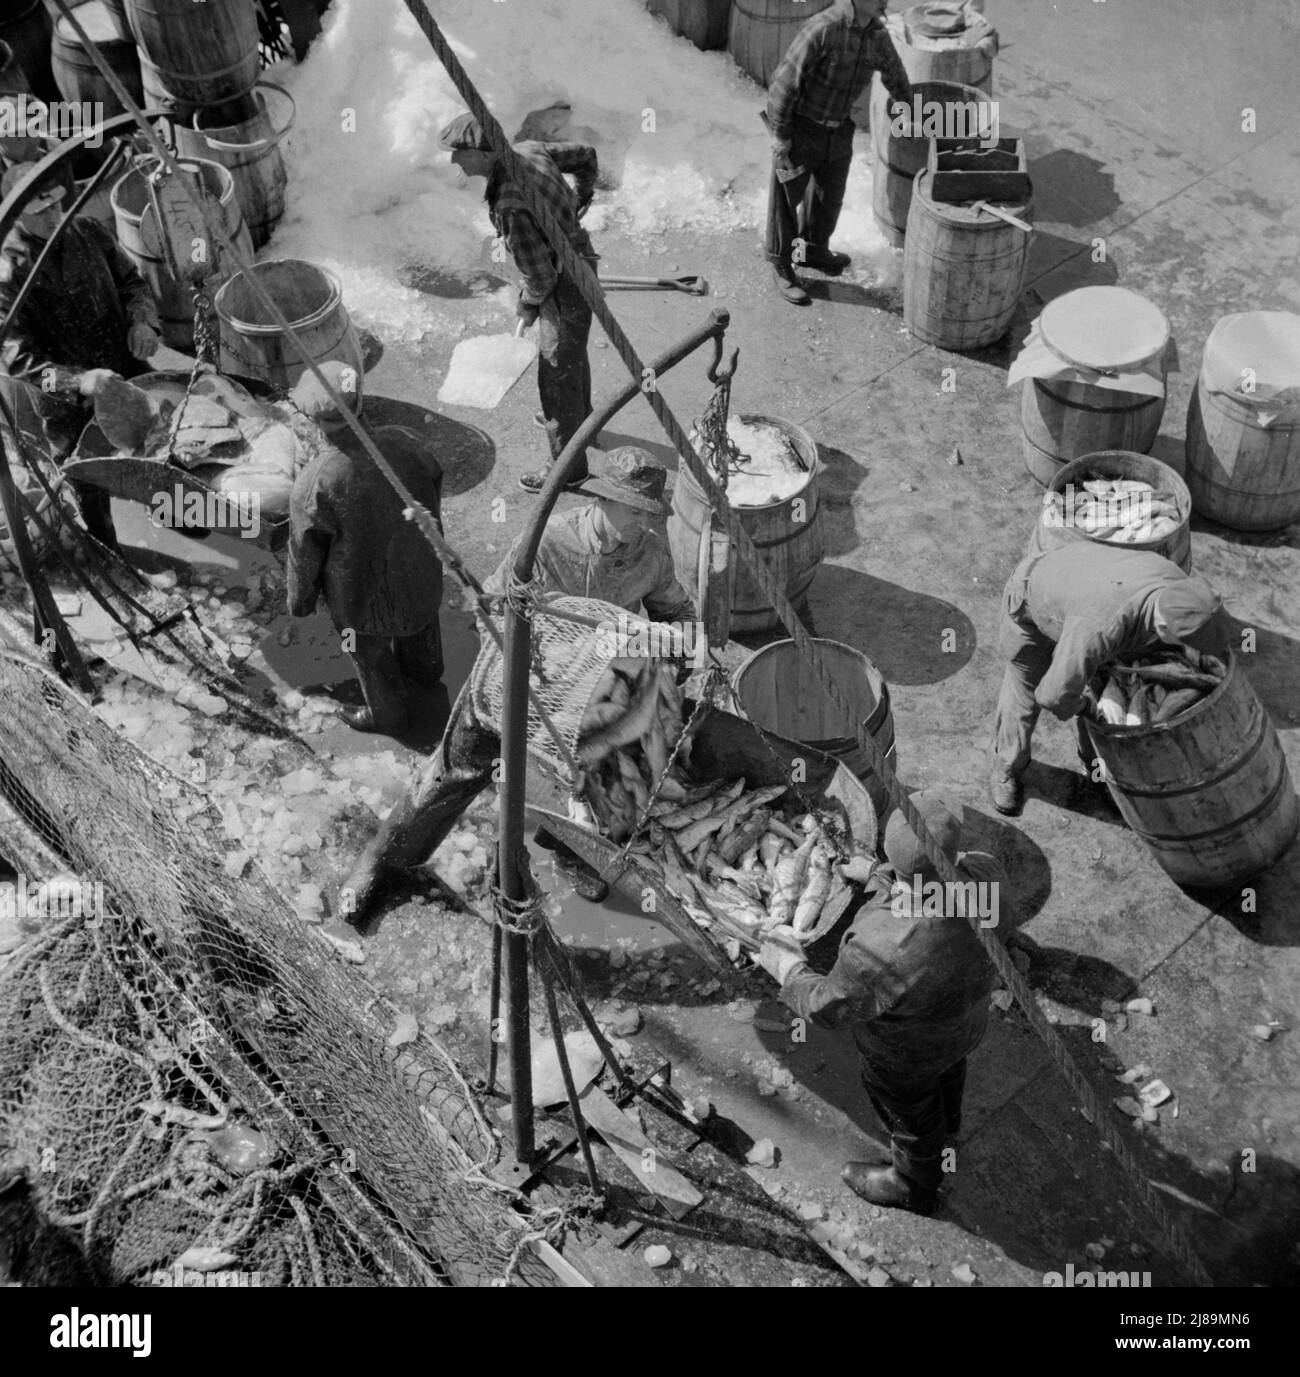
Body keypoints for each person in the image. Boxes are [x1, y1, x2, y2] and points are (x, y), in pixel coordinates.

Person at [756, 792, 1004, 1214]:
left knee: (911, 1112)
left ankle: (913, 1182)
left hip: (902, 1056)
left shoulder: (880, 943)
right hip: (964, 1024)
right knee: (947, 1074)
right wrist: (877, 874)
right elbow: (931, 889)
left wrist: (789, 969)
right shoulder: (987, 874)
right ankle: (948, 1133)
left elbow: (827, 1007)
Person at [990, 544, 1228, 816]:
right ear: (1162, 627)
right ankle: (1007, 765)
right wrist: (1084, 707)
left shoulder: (1177, 586)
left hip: (1083, 582)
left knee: (1092, 680)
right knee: (1026, 692)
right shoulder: (1100, 628)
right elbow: (1051, 696)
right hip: (1031, 599)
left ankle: (1093, 767)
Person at [0, 163, 161, 548]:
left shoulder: (87, 230)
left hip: (124, 368)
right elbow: (15, 358)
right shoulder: (8, 272)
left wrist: (143, 323)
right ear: (18, 212)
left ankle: (176, 513)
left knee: (158, 446)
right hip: (66, 404)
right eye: (40, 212)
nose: (54, 216)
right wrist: (80, 381)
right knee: (87, 484)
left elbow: (132, 282)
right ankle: (107, 551)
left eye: (56, 205)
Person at [438, 113, 598, 492]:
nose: (453, 161)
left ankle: (568, 469)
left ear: (483, 153)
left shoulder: (510, 201)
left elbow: (541, 277)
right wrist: (584, 194)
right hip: (582, 258)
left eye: (459, 153)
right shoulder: (529, 150)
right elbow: (586, 155)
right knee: (572, 355)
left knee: (556, 376)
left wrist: (526, 305)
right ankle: (584, 423)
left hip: (564, 283)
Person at [286, 362, 446, 735]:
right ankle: (427, 672)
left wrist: (301, 600)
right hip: (419, 571)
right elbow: (433, 495)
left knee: (368, 653)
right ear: (359, 400)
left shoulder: (314, 482)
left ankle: (388, 715)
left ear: (315, 422)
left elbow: (303, 552)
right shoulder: (408, 442)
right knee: (420, 623)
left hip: (360, 598)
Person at [764, 0, 912, 305]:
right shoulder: (823, 29)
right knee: (786, 199)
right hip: (802, 128)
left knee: (828, 197)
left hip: (839, 128)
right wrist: (781, 134)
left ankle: (813, 250)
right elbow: (784, 83)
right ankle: (782, 263)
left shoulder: (877, 36)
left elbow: (895, 75)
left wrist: (910, 108)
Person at [483, 446, 694, 622]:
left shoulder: (651, 552)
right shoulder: (544, 544)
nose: (645, 524)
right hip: (549, 654)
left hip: (616, 656)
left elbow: (680, 612)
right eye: (635, 511)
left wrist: (674, 646)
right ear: (602, 499)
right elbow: (493, 607)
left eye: (650, 514)